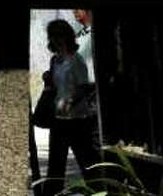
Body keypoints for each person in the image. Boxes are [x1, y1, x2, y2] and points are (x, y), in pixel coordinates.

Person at [42, 18, 98, 196]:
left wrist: (70, 103)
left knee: (87, 166)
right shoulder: (55, 60)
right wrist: (48, 79)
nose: (56, 40)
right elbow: (54, 86)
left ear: (66, 37)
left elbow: (84, 88)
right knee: (55, 169)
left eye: (59, 36)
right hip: (58, 120)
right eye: (53, 37)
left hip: (78, 121)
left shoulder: (77, 60)